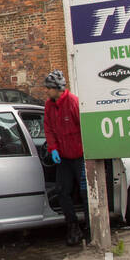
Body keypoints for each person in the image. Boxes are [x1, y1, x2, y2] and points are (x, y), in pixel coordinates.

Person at [43, 69, 86, 246]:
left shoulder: (73, 103)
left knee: (85, 192)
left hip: (80, 156)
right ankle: (73, 227)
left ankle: (92, 227)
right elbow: (49, 128)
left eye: (49, 88)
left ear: (57, 88)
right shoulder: (49, 106)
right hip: (63, 157)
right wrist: (53, 148)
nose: (46, 91)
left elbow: (84, 127)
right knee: (62, 191)